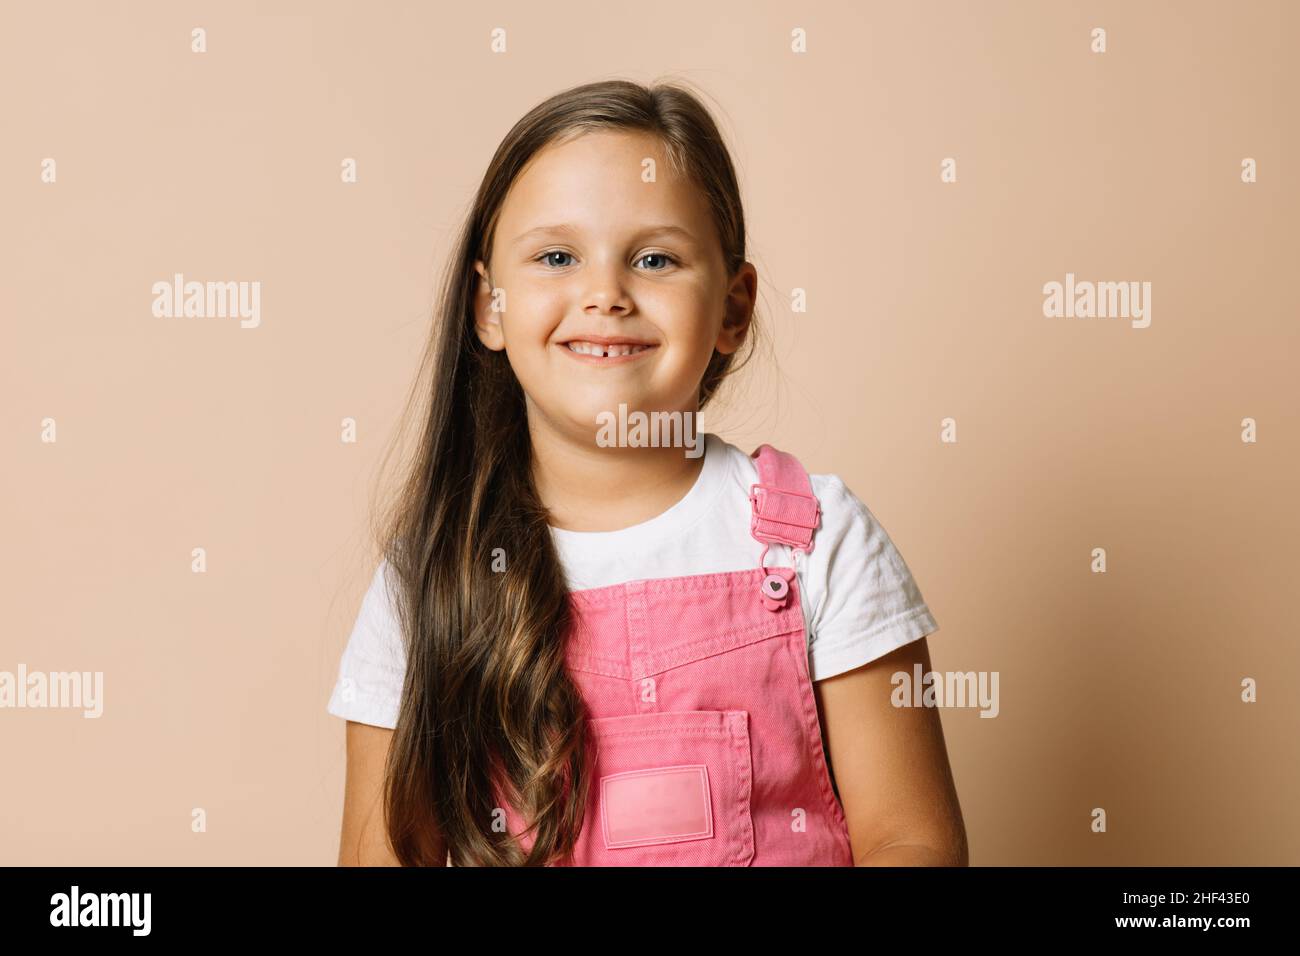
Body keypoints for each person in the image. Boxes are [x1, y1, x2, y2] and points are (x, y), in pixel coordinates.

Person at [327, 78, 967, 867]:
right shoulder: (427, 578)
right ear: (489, 307)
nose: (605, 295)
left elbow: (911, 839)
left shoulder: (817, 543)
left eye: (655, 258)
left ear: (733, 309)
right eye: (557, 257)